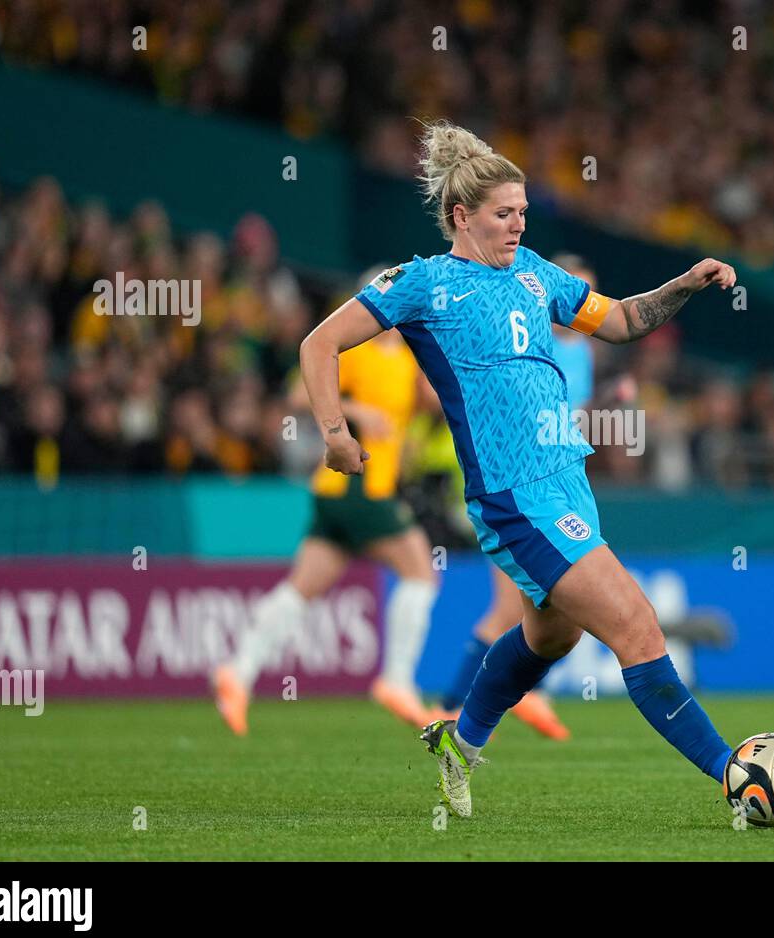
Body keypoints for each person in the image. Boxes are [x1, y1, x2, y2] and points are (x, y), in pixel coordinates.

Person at [298, 120, 738, 817]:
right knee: (637, 626)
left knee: (551, 634)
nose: (516, 225)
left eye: (523, 213)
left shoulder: (535, 271)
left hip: (568, 483)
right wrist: (334, 432)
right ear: (460, 215)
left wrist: (684, 282)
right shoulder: (423, 285)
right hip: (513, 496)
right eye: (504, 214)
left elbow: (620, 319)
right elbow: (320, 342)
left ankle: (459, 742)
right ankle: (736, 775)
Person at [214, 280, 443, 735]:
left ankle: (236, 672)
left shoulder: (403, 357)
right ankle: (396, 680)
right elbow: (299, 396)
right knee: (420, 572)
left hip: (338, 490)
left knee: (304, 587)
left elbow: (428, 403)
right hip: (361, 485)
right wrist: (357, 414)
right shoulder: (355, 349)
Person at [436, 253, 601, 741]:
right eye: (574, 292)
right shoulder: (530, 334)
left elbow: (573, 412)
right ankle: (451, 706)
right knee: (513, 608)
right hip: (514, 483)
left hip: (560, 481)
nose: (580, 306)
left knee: (548, 609)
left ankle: (518, 697)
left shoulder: (585, 354)